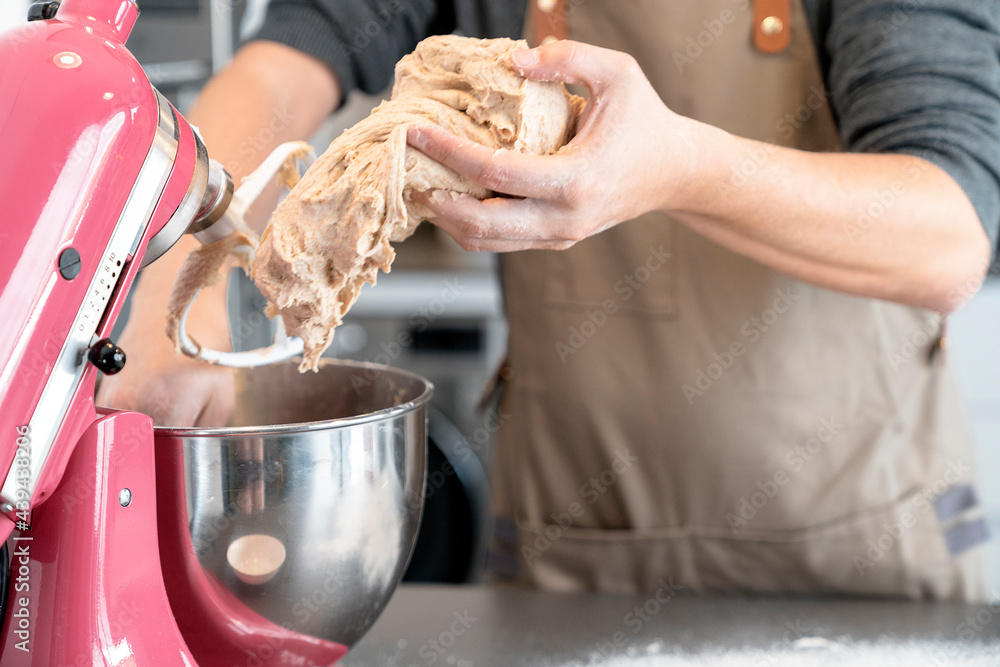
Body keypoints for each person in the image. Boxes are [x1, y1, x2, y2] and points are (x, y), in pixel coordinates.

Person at [99, 0, 1000, 600]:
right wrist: (180, 256)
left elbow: (949, 228)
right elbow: (288, 64)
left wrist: (678, 168)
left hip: (863, 566)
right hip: (571, 561)